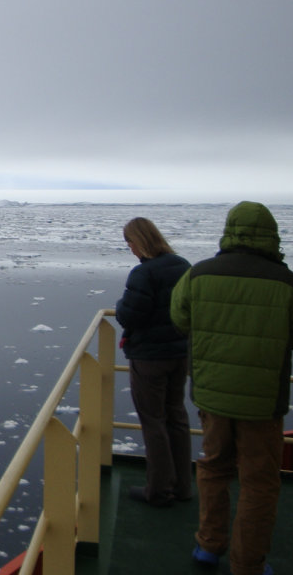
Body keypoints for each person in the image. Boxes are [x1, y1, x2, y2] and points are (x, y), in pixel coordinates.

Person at [171, 201, 293, 575]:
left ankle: (209, 547)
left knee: (213, 467)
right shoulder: (289, 282)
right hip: (262, 401)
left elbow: (180, 317)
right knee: (259, 482)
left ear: (229, 230)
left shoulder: (198, 274)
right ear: (271, 235)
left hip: (212, 394)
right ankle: (248, 564)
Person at [115, 217, 192, 507]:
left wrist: (121, 306)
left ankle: (159, 490)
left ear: (140, 242)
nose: (130, 249)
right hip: (179, 354)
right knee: (176, 416)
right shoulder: (183, 265)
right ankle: (183, 487)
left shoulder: (143, 273)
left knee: (153, 421)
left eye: (130, 243)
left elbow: (131, 315)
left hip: (150, 359)